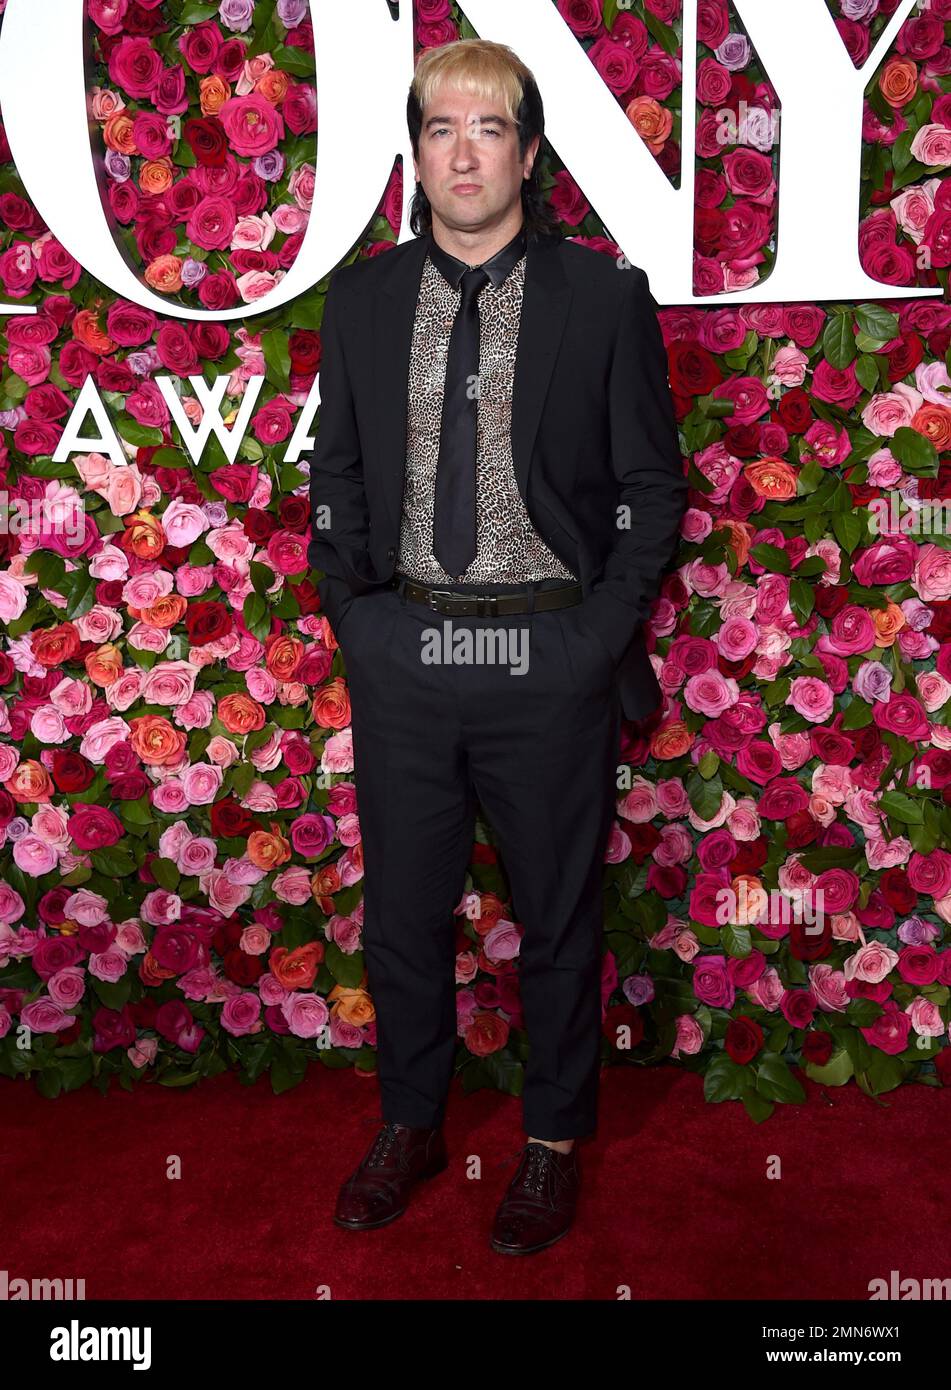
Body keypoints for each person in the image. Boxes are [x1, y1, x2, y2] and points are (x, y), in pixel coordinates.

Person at [307, 37, 686, 1256]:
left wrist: (596, 635)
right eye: (438, 127)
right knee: (403, 919)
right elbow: (342, 475)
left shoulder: (602, 298)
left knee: (560, 918)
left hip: (546, 665)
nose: (461, 151)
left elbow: (651, 485)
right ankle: (413, 1120)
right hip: (407, 653)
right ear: (416, 153)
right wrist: (358, 618)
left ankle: (552, 1139)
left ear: (528, 152)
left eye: (488, 128)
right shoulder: (362, 301)